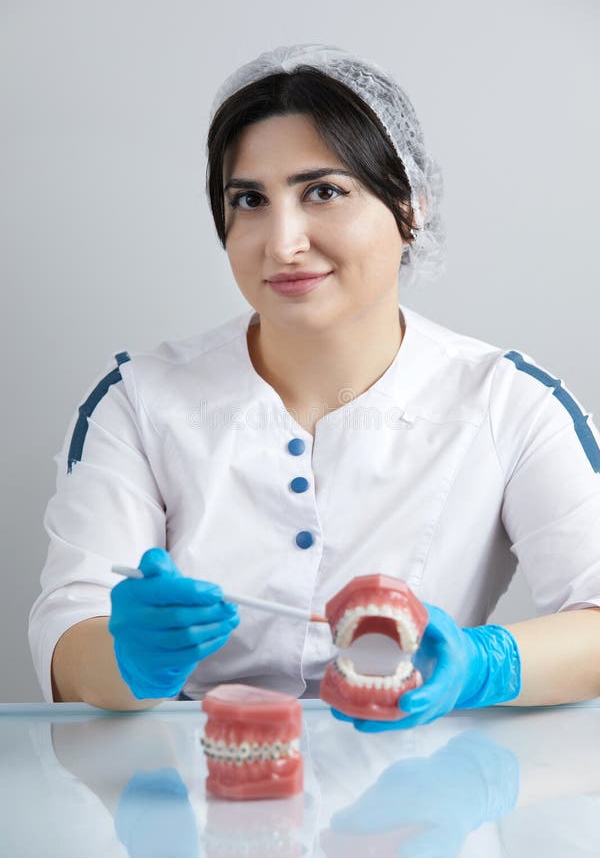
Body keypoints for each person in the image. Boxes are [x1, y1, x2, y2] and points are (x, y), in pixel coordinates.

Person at [29, 44, 600, 725]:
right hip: (190, 792)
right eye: (249, 200)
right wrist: (127, 660)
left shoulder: (510, 402)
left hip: (422, 797)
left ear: (411, 205)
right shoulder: (137, 401)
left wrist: (485, 663)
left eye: (323, 191)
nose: (283, 241)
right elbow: (69, 638)